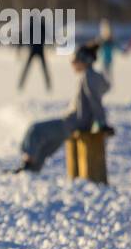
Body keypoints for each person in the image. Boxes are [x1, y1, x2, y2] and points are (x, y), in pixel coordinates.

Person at [12, 43, 112, 173]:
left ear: (84, 60)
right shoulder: (92, 76)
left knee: (35, 130)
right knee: (47, 145)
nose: (72, 64)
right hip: (77, 122)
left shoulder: (89, 77)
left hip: (73, 123)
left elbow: (95, 102)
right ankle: (31, 169)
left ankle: (28, 164)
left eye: (75, 60)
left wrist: (102, 123)